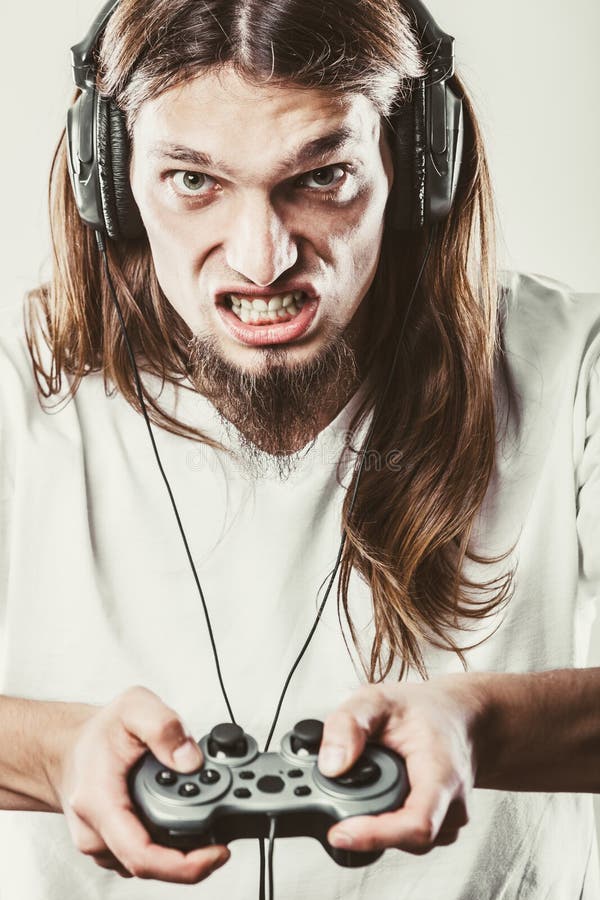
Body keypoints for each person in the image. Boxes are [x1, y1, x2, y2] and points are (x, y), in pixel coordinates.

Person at [0, 0, 598, 897]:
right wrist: (50, 753)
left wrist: (481, 727)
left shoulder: (577, 364)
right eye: (193, 182)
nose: (261, 259)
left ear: (417, 162)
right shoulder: (16, 380)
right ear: (112, 177)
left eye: (322, 176)